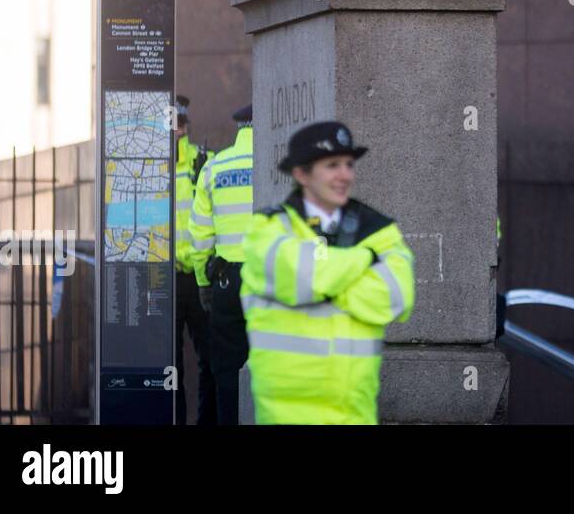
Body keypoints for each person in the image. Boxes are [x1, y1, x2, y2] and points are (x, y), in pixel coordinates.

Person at [241, 121, 415, 424]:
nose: (345, 175)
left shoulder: (379, 229)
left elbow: (396, 298)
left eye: (349, 164)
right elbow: (303, 277)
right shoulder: (267, 229)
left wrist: (326, 280)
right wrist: (363, 259)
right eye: (332, 165)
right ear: (301, 174)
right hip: (287, 415)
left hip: (355, 413)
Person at [188, 103, 254, 425]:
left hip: (228, 281)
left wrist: (203, 284)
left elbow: (200, 237)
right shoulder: (280, 163)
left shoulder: (215, 167)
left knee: (227, 370)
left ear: (240, 127)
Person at [172, 96, 214, 423]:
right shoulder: (151, 166)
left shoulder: (204, 162)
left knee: (209, 359)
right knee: (169, 365)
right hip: (167, 277)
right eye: (172, 126)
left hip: (200, 275)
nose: (176, 132)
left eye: (180, 126)